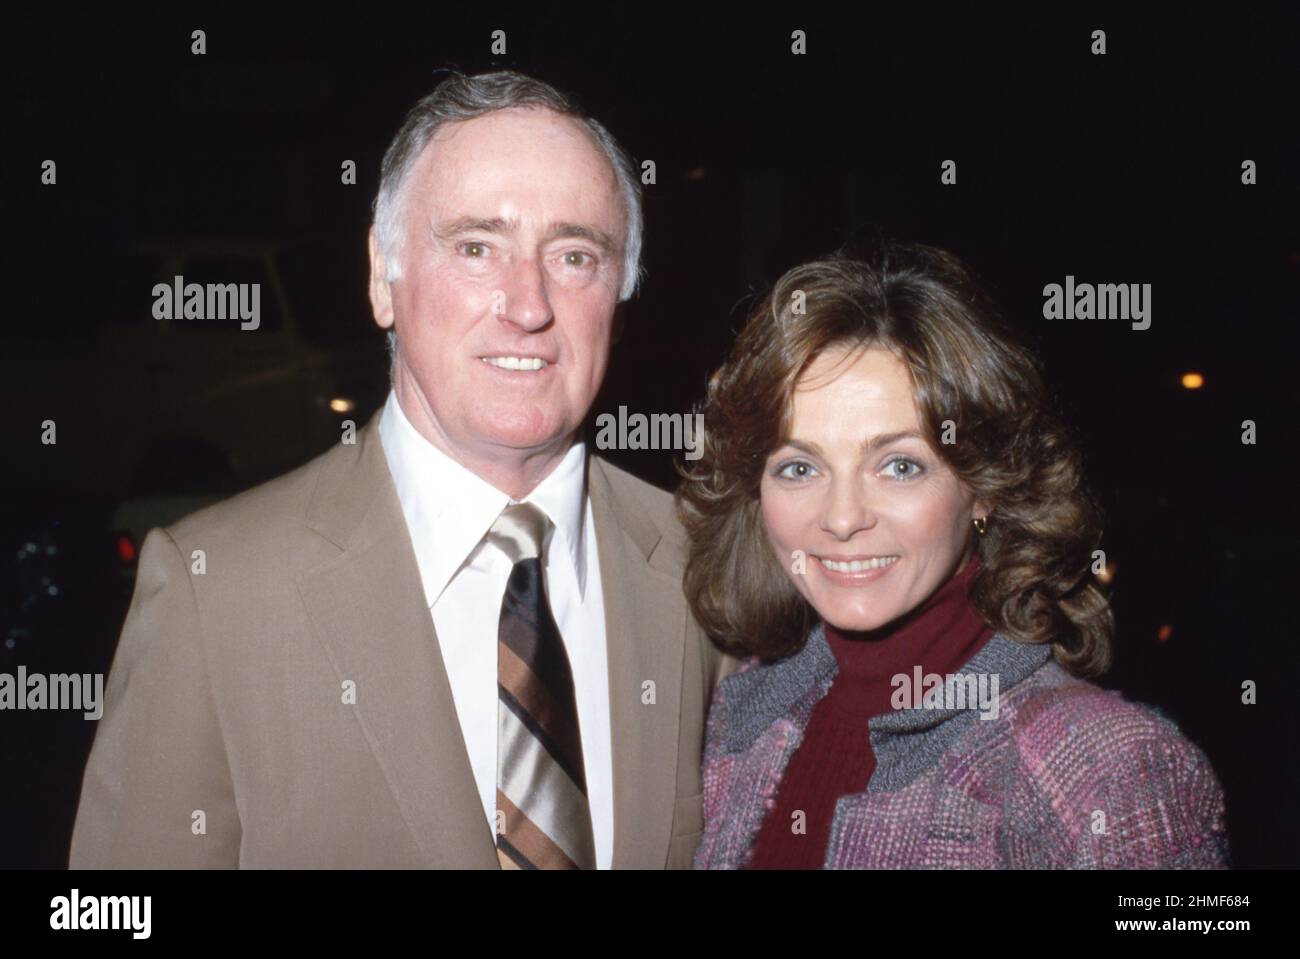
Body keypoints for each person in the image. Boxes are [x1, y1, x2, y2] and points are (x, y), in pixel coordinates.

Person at [70, 70, 736, 869]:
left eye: (574, 254)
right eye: (476, 246)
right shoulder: (216, 591)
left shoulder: (706, 573)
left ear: (619, 298)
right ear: (383, 275)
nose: (527, 304)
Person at [678, 242, 1229, 869]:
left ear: (983, 489)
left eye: (900, 465)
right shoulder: (739, 716)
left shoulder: (1112, 772)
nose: (841, 517)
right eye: (800, 467)